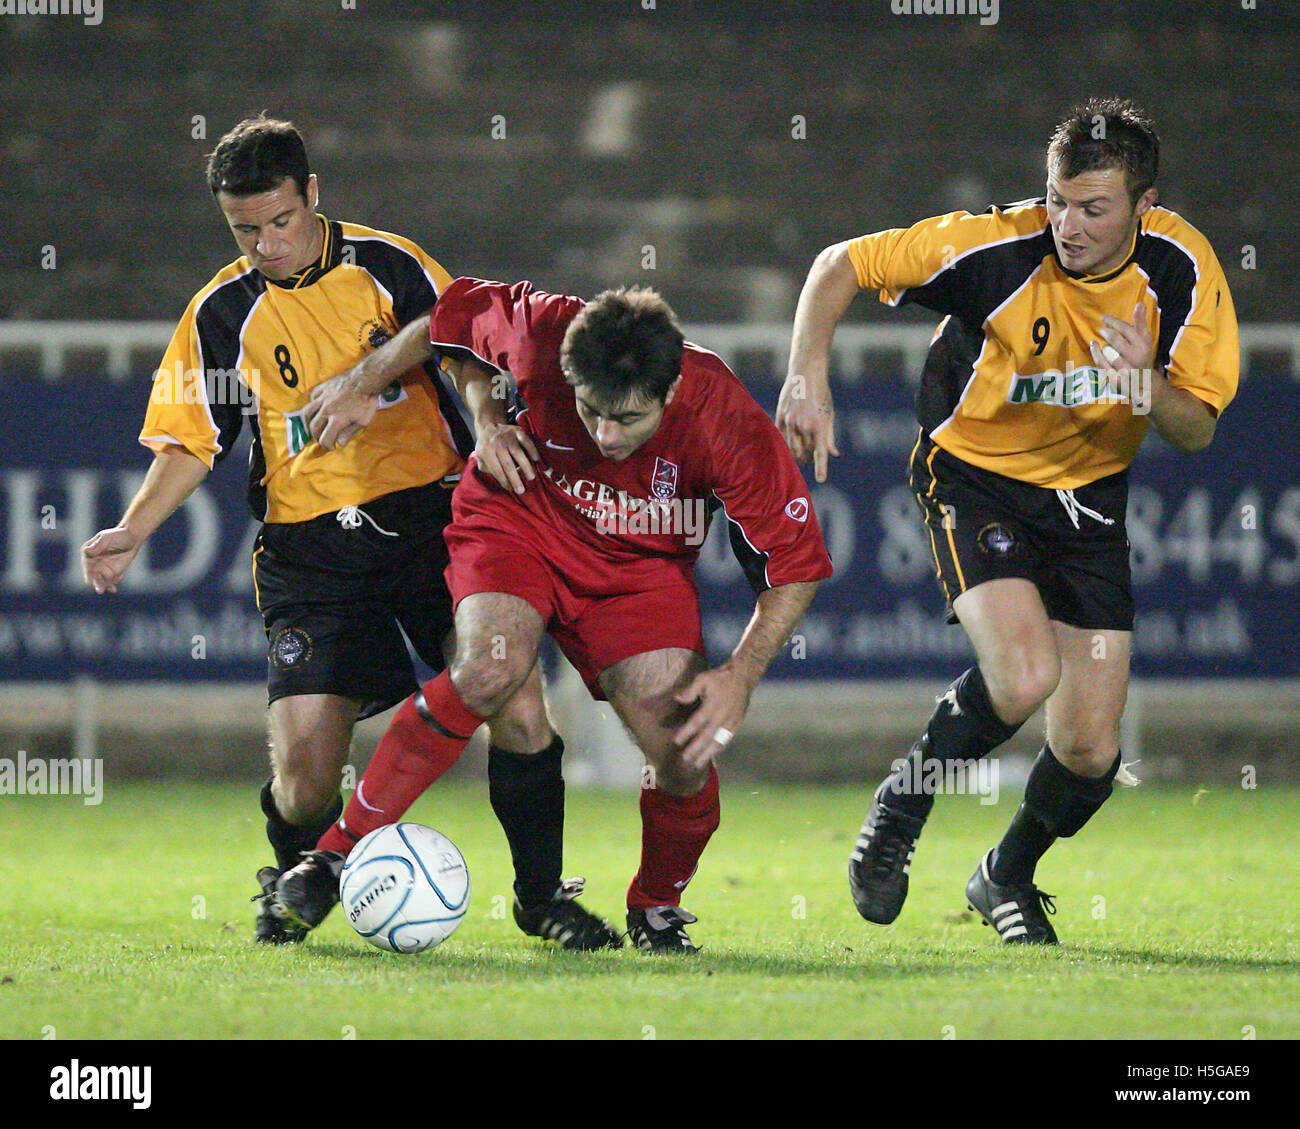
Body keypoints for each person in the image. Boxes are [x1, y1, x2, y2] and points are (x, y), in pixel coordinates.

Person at [80, 116, 620, 951]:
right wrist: (133, 527)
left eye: (280, 221)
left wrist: (482, 423)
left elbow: (465, 346)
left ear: (314, 196)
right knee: (301, 775)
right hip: (311, 552)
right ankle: (296, 879)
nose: (266, 243)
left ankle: (541, 896)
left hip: (435, 523)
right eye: (245, 229)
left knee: (513, 693)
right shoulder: (221, 313)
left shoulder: (389, 265)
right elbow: (192, 437)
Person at [776, 97, 1238, 944]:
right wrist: (807, 374)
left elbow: (1198, 426)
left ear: (1145, 203)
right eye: (1059, 199)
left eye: (1094, 208)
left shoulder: (1182, 268)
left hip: (1090, 495)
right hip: (974, 476)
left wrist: (1149, 387)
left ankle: (1005, 876)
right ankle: (901, 806)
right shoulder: (995, 246)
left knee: (1093, 749)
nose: (1069, 223)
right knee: (1024, 675)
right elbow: (839, 263)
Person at [276, 276, 833, 951]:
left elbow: (796, 566)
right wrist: (441, 403)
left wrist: (741, 674)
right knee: (489, 669)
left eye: (627, 419)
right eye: (590, 409)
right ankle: (332, 857)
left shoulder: (724, 414)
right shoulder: (544, 329)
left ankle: (655, 905)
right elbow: (448, 321)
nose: (603, 432)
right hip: (519, 521)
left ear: (672, 391)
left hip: (637, 572)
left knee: (685, 750)